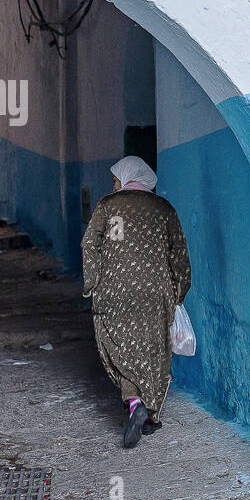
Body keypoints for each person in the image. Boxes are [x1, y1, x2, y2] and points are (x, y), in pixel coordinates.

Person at [81, 156, 192, 448]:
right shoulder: (164, 209)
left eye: (116, 178)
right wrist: (179, 291)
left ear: (129, 176)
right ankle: (151, 413)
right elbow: (178, 254)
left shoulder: (108, 206)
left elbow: (89, 244)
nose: (114, 184)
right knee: (154, 349)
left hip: (115, 291)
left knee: (120, 346)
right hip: (156, 292)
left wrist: (92, 282)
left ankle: (134, 404)